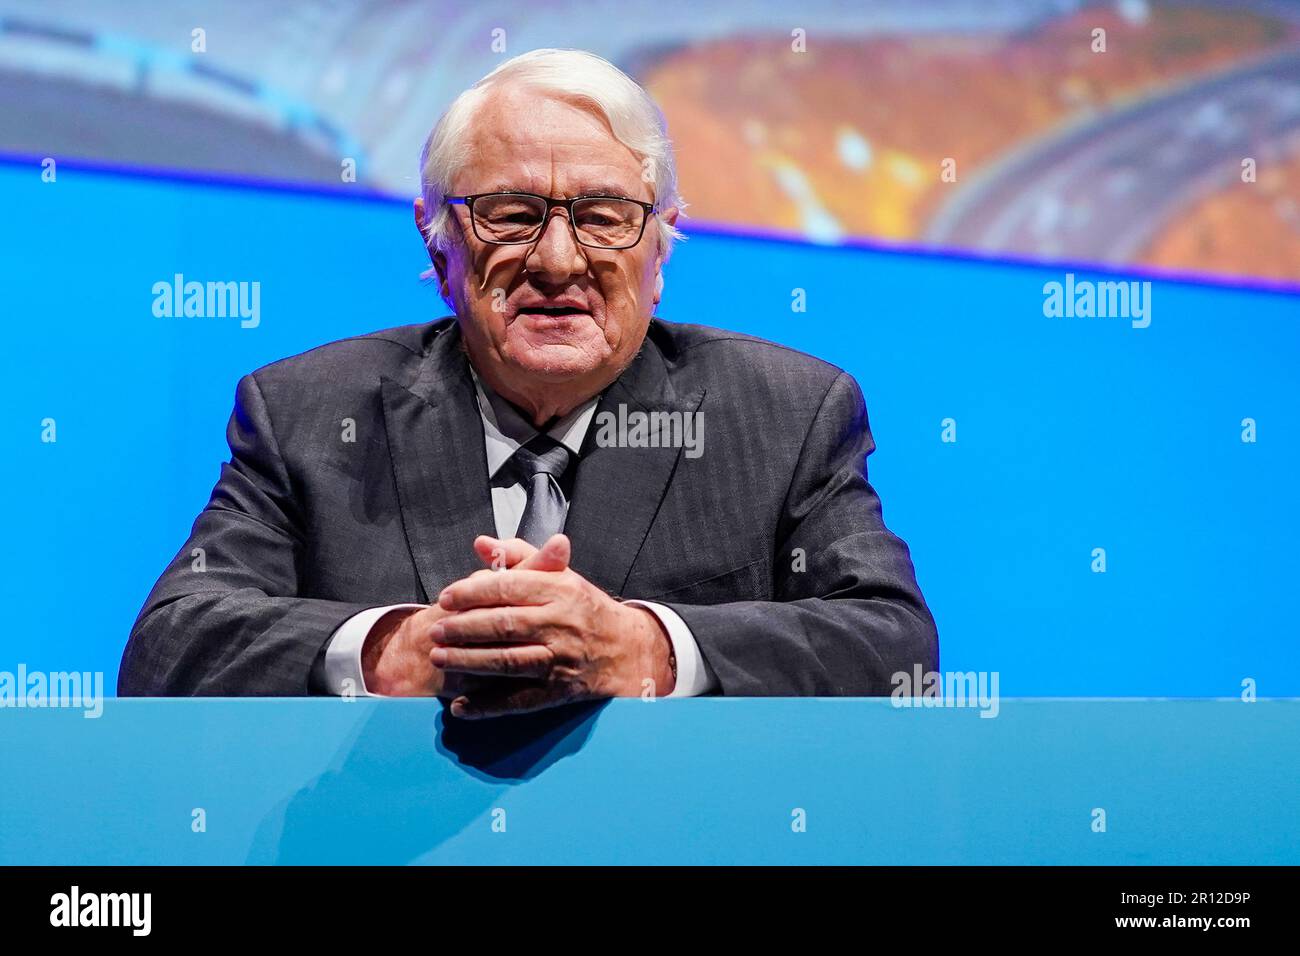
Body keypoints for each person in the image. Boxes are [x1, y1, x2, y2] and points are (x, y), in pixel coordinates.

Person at [120, 49, 938, 717]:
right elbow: (169, 648)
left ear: (661, 247)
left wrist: (644, 649)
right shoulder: (307, 412)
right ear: (437, 242)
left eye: (604, 215)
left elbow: (895, 647)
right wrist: (395, 651)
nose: (557, 260)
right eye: (510, 213)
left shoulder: (785, 415)